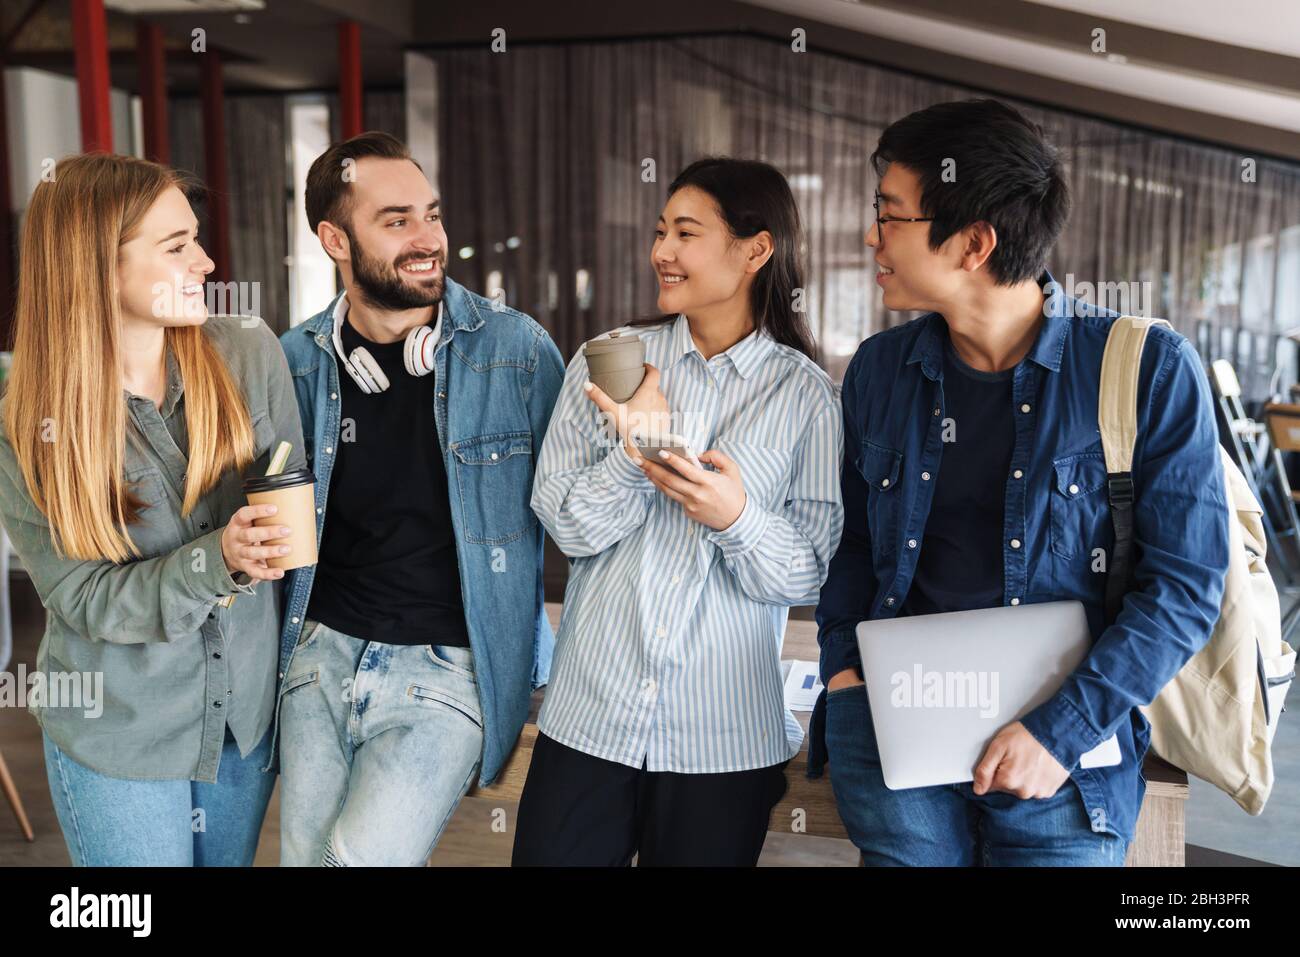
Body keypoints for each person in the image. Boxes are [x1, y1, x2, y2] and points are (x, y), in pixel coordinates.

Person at [812, 98, 1230, 866]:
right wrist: (843, 672)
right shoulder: (880, 369)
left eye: (890, 215)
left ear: (974, 241)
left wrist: (1060, 732)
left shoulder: (1145, 369)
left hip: (1063, 763)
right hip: (899, 731)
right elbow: (856, 542)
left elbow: (1187, 585)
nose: (871, 237)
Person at [513, 158, 844, 866]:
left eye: (686, 232)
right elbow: (564, 525)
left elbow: (813, 571)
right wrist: (639, 453)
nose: (661, 250)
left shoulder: (807, 397)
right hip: (588, 723)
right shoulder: (607, 362)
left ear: (756, 250)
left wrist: (737, 517)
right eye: (661, 230)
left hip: (722, 741)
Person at [0, 152, 306, 866]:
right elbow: (83, 598)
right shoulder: (26, 424)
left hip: (242, 724)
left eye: (195, 238)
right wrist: (218, 561)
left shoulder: (249, 351)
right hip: (118, 733)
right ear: (94, 265)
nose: (205, 261)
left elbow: (294, 500)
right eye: (176, 246)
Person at [273, 132, 565, 866]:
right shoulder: (296, 362)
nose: (429, 238)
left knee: (351, 860)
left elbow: (581, 516)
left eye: (430, 215)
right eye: (396, 220)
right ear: (334, 239)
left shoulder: (517, 351)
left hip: (448, 666)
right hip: (318, 655)